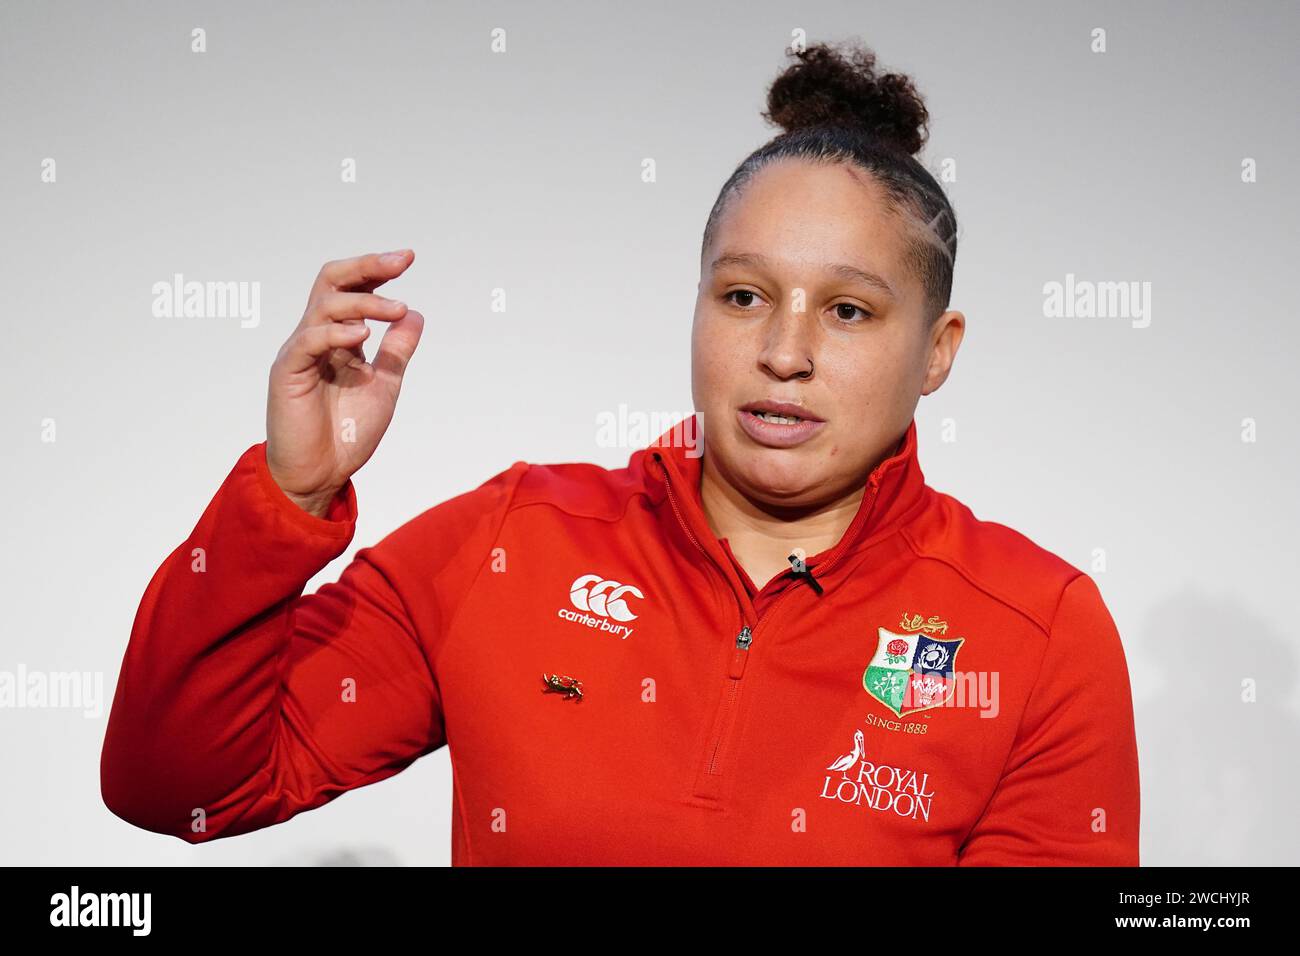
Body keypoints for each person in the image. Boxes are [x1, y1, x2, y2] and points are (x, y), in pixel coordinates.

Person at [100, 40, 1140, 865]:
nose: (783, 352)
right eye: (743, 296)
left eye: (851, 310)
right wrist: (288, 495)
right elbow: (180, 790)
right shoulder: (513, 541)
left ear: (935, 354)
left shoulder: (1038, 629)